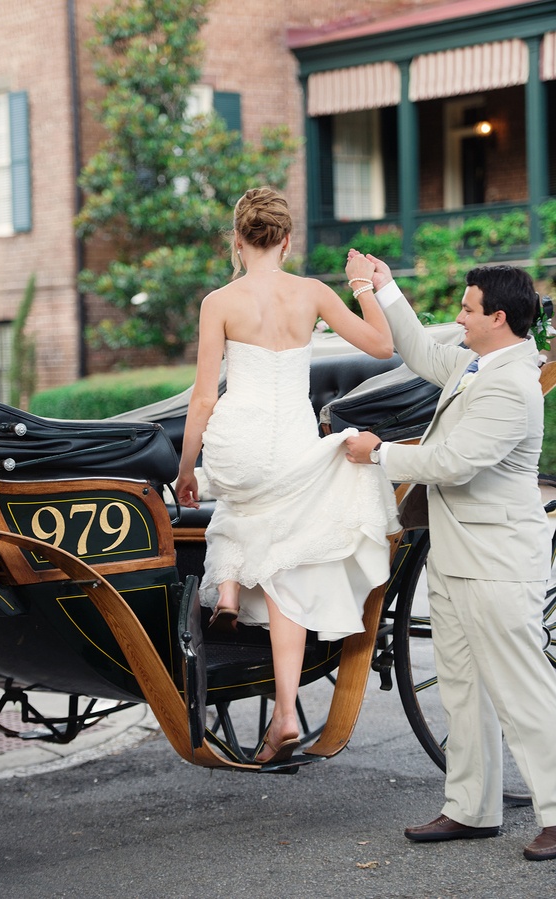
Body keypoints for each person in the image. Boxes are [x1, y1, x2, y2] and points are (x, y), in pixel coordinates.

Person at [344, 251, 556, 862]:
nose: (458, 319)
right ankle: (471, 809)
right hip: (457, 553)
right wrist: (386, 289)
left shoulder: (512, 384)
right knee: (462, 689)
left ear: (498, 317)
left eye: (467, 309)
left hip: (497, 561)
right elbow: (418, 351)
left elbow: (454, 462)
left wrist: (378, 453)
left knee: (522, 692)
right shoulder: (475, 363)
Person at [175, 188, 399, 764]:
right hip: (293, 443)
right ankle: (284, 713)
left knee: (239, 498)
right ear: (288, 240)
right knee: (284, 566)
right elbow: (382, 345)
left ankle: (227, 584)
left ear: (237, 240)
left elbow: (203, 398)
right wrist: (363, 286)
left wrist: (186, 467)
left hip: (237, 440)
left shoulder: (218, 301)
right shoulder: (312, 292)